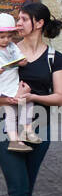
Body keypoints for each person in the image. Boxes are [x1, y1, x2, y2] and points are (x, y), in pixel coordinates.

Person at [0, 2, 62, 196]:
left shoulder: (54, 58)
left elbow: (61, 97)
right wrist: (11, 101)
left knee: (26, 188)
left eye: (23, 19)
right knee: (17, 187)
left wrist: (31, 96)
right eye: (17, 19)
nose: (18, 24)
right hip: (6, 129)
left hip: (39, 128)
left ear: (38, 24)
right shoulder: (6, 51)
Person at [0, 14, 32, 152]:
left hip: (13, 83)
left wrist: (21, 62)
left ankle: (27, 130)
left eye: (9, 36)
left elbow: (23, 60)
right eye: (2, 37)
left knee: (27, 101)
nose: (6, 40)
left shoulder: (12, 47)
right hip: (2, 86)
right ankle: (14, 140)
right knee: (10, 112)